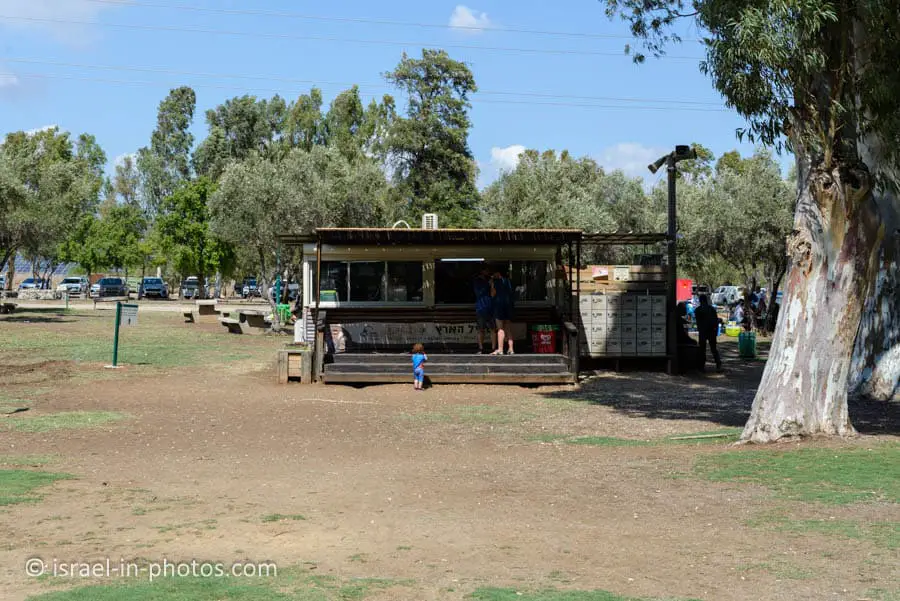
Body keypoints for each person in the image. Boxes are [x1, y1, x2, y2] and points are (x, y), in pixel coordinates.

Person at [695, 294, 723, 372]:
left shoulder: (698, 310)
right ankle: (718, 364)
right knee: (713, 349)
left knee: (702, 349)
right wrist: (716, 331)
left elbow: (698, 322)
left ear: (700, 301)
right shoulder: (712, 309)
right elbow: (716, 321)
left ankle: (701, 366)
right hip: (711, 331)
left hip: (703, 332)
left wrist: (700, 329)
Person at [490, 270, 515, 355]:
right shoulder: (508, 282)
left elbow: (493, 294)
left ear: (498, 273)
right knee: (508, 328)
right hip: (509, 306)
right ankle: (511, 349)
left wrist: (491, 285)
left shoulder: (495, 282)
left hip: (499, 305)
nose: (493, 275)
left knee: (500, 328)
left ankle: (500, 349)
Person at [473, 267, 497, 354]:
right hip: (481, 308)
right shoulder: (477, 281)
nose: (488, 272)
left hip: (490, 307)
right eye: (486, 270)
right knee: (481, 329)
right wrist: (488, 284)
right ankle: (480, 348)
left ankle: (493, 348)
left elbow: (493, 294)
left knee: (493, 329)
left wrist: (492, 285)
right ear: (482, 271)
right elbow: (479, 292)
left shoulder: (490, 281)